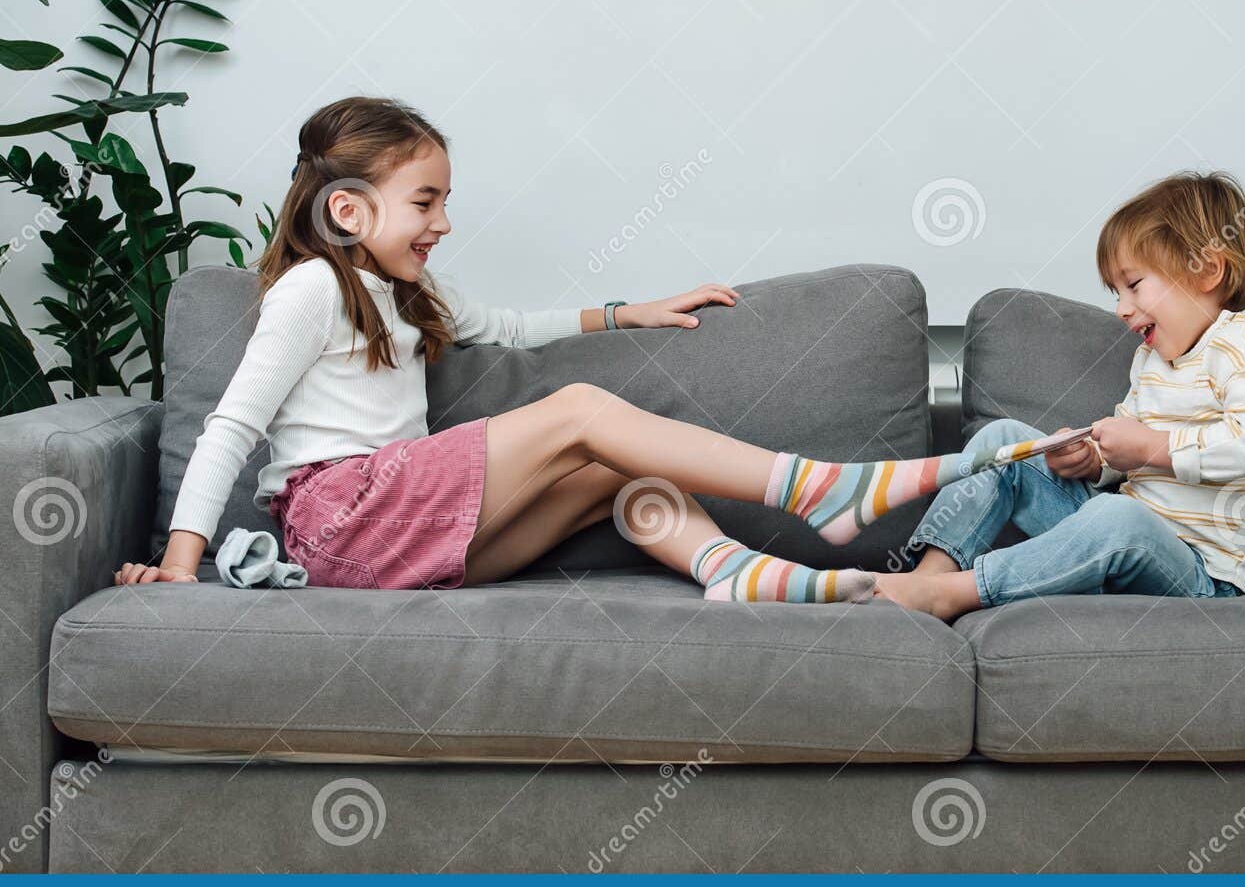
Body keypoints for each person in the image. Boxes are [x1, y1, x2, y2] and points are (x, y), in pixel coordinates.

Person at [115, 96, 1066, 601]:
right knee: (577, 414)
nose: (445, 218)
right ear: (347, 209)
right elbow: (232, 423)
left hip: (404, 542)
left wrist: (630, 311)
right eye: (426, 201)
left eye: (445, 198)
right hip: (342, 520)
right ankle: (812, 486)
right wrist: (181, 559)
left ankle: (738, 574)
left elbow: (512, 327)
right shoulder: (317, 288)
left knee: (616, 476)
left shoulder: (402, 291)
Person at [874, 171, 1245, 620]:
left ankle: (959, 591)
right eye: (1117, 292)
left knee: (1122, 521)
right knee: (1002, 440)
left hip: (1203, 574)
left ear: (1208, 271)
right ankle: (927, 579)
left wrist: (1151, 447)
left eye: (1134, 286)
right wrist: (1094, 461)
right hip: (1119, 539)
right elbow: (1125, 452)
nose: (1121, 308)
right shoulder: (1152, 360)